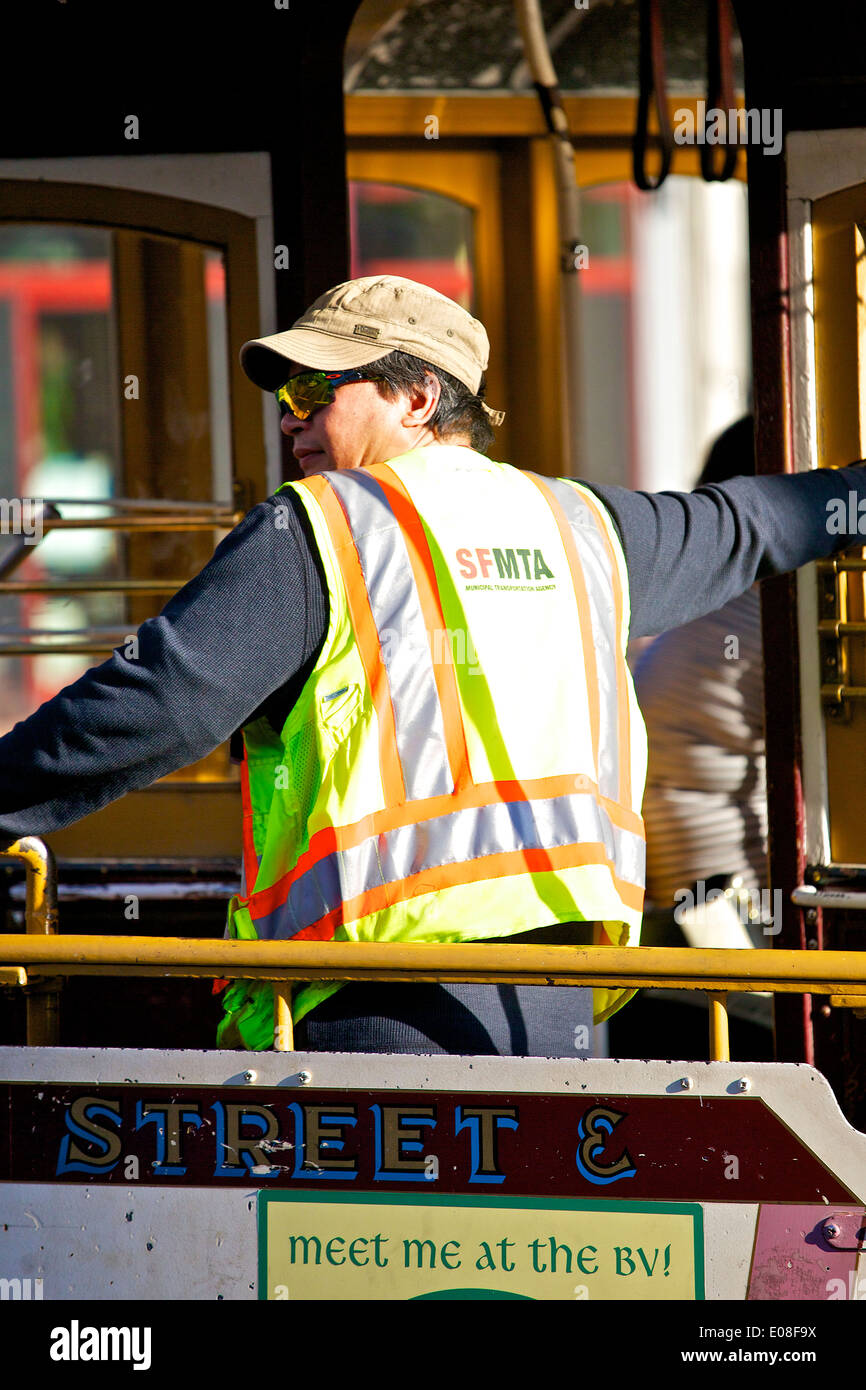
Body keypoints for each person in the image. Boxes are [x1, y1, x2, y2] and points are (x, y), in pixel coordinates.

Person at [1, 274, 864, 1056]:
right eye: (284, 398)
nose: (290, 417)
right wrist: (853, 496)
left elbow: (158, 702)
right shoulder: (583, 526)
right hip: (560, 1016)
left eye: (313, 390)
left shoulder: (321, 527)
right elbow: (750, 520)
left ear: (418, 397)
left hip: (377, 1014)